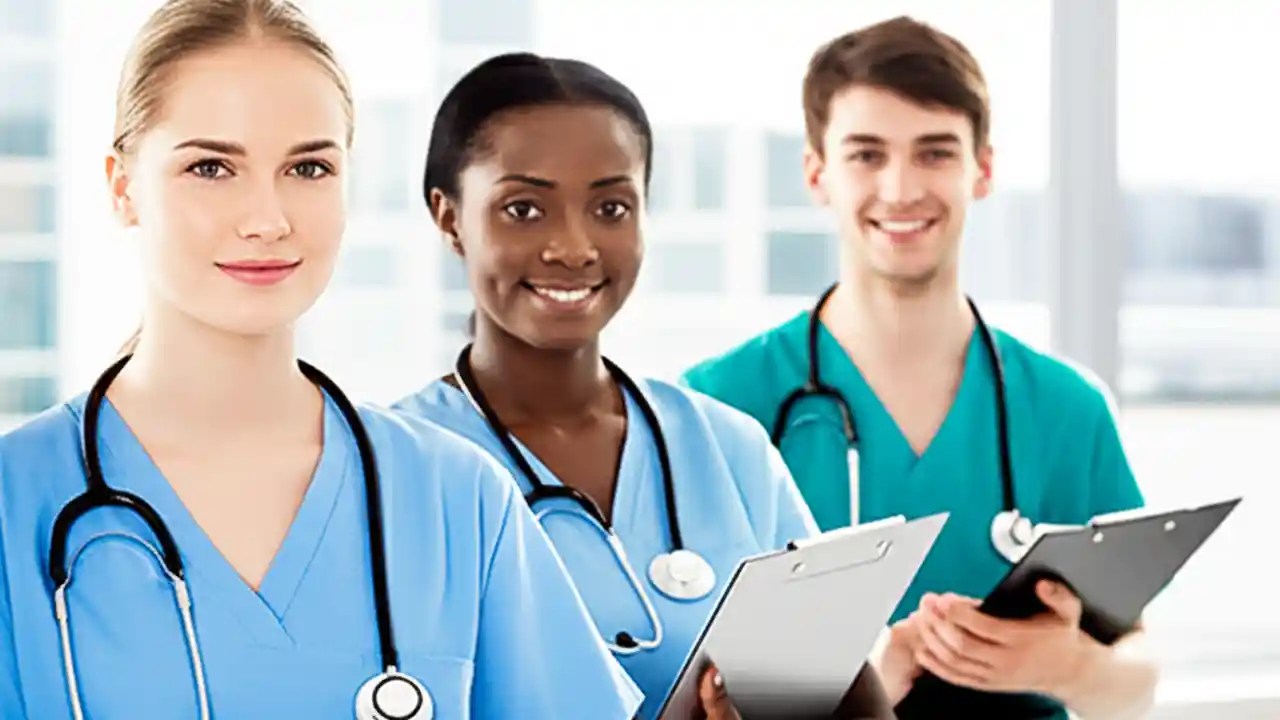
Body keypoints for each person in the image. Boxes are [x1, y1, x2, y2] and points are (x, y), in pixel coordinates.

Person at [0, 2, 641, 718]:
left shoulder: (454, 500)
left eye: (308, 167)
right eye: (211, 167)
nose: (269, 218)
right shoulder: (13, 502)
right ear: (123, 187)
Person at [393, 52, 896, 720]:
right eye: (523, 208)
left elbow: (847, 693)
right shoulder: (395, 469)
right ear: (449, 215)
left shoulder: (728, 449)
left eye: (610, 206)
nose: (573, 247)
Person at [681, 16, 1159, 719]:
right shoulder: (719, 406)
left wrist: (1076, 668)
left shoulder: (1065, 407)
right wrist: (867, 677)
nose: (901, 189)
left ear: (983, 169)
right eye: (867, 155)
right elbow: (697, 690)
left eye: (935, 153)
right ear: (817, 173)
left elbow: (1138, 680)